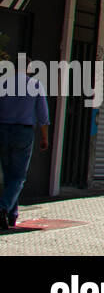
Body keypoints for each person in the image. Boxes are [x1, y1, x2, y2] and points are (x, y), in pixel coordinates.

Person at [0, 43, 49, 230]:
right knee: (19, 178)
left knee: (9, 175)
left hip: (3, 130)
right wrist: (45, 138)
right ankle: (3, 207)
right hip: (23, 132)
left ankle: (12, 216)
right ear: (29, 69)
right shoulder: (36, 85)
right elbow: (43, 116)